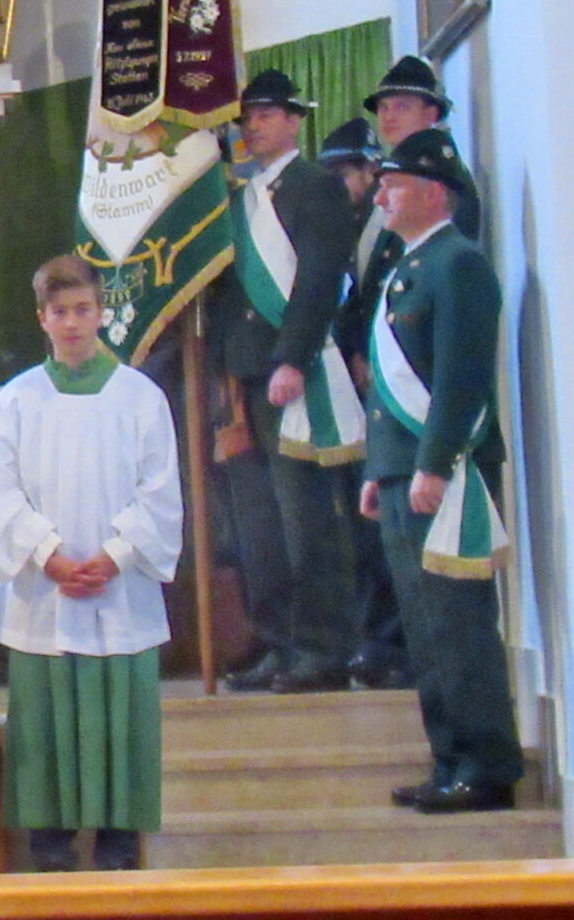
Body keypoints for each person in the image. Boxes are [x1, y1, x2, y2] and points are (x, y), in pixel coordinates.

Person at [0, 255, 183, 871]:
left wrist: (115, 556)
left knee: (118, 717)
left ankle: (117, 842)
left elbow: (160, 490)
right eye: (60, 311)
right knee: (46, 721)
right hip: (45, 590)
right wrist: (48, 555)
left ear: (101, 313)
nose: (72, 322)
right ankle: (51, 845)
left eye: (83, 310)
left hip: (119, 588)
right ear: (42, 318)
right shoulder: (17, 400)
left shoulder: (139, 397)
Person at [358, 130, 522, 814]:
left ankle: (485, 765)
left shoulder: (458, 264)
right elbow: (390, 386)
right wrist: (381, 467)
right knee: (425, 628)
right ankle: (449, 758)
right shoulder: (411, 265)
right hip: (406, 470)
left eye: (392, 184)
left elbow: (460, 378)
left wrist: (433, 462)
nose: (380, 196)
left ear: (432, 192)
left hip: (444, 472)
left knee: (457, 625)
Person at [209, 70, 362, 694]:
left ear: (295, 121)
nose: (254, 127)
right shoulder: (238, 197)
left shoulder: (316, 187)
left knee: (305, 520)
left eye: (267, 115)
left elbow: (320, 278)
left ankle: (323, 649)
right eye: (248, 117)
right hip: (247, 374)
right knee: (259, 525)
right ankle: (277, 642)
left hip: (290, 371)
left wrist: (293, 358)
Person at [320, 117, 412, 692]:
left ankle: (394, 643)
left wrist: (362, 352)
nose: (340, 186)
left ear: (370, 169)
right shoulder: (345, 225)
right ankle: (373, 638)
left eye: (345, 174)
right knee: (359, 527)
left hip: (386, 382)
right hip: (349, 383)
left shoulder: (387, 228)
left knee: (385, 528)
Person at [366, 54, 478, 239]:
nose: (389, 116)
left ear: (430, 114)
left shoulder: (438, 171)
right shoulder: (394, 170)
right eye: (383, 107)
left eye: (402, 107)